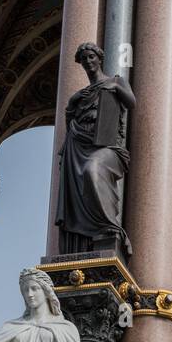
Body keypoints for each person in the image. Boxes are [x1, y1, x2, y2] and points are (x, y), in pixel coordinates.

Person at [55, 41, 134, 259]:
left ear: (99, 58)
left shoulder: (115, 81)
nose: (88, 62)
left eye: (91, 57)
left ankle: (110, 225)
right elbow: (69, 117)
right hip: (78, 145)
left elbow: (131, 102)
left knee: (92, 170)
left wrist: (115, 88)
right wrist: (71, 107)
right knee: (78, 188)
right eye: (83, 60)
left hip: (108, 147)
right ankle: (91, 234)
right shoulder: (80, 95)